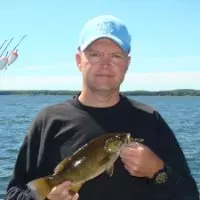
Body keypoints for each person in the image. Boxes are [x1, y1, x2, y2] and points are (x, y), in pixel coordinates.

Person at [5, 15, 199, 200]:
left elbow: (190, 194)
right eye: (95, 54)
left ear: (127, 63)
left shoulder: (150, 120)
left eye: (115, 56)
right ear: (78, 60)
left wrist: (157, 172)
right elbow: (14, 193)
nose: (105, 64)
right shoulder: (48, 121)